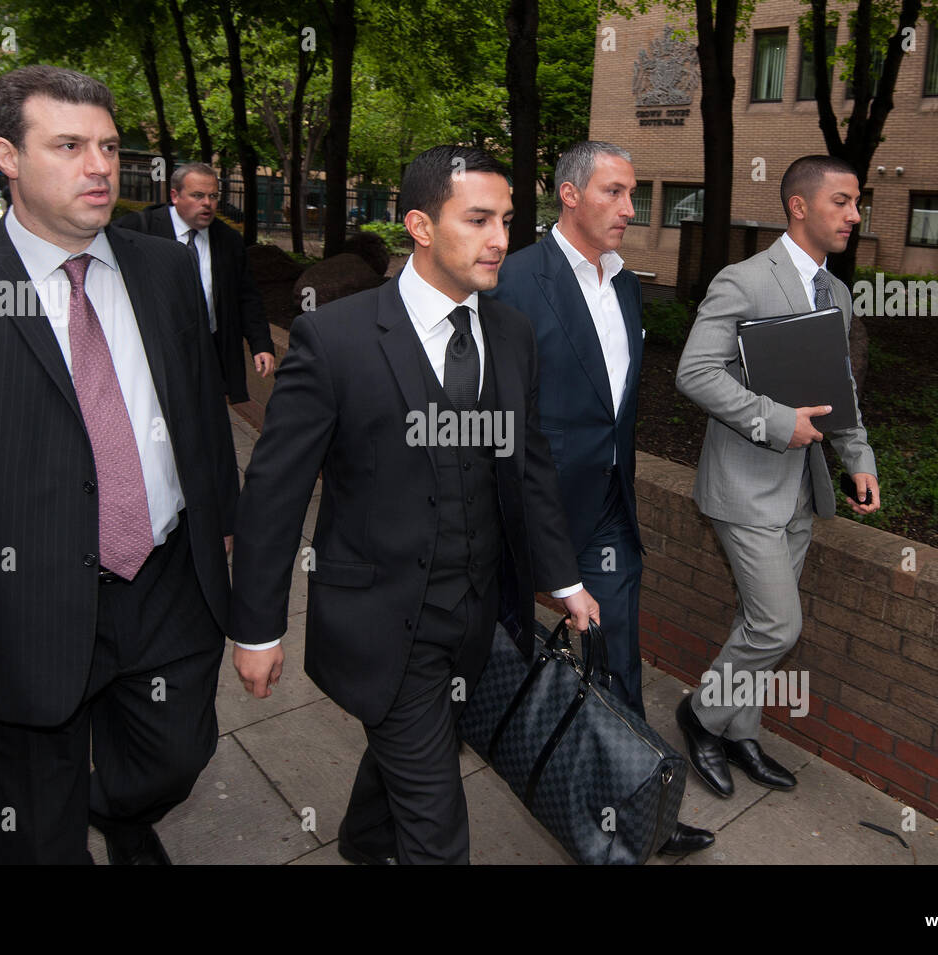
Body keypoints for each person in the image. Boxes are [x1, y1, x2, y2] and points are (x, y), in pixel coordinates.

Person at [0, 64, 239, 865]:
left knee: (174, 754)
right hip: (16, 605)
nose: (99, 166)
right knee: (36, 828)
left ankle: (118, 811)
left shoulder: (162, 271)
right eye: (68, 145)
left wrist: (226, 527)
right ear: (7, 156)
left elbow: (198, 413)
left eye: (108, 146)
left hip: (164, 583)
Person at [230, 145, 600, 865]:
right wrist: (255, 627)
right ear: (421, 226)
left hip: (477, 618)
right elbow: (274, 489)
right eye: (479, 219)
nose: (501, 239)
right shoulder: (335, 338)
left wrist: (563, 577)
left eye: (508, 220)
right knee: (437, 831)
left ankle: (366, 842)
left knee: (409, 756)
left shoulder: (512, 336)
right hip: (382, 620)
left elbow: (529, 466)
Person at [492, 140, 713, 857]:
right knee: (465, 663)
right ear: (569, 194)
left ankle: (637, 811)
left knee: (619, 658)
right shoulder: (513, 279)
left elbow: (616, 405)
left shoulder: (625, 283)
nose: (631, 209)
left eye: (634, 194)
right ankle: (387, 809)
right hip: (521, 514)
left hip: (609, 509)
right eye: (616, 193)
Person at [674, 154, 880, 798]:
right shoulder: (743, 280)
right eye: (842, 202)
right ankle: (701, 716)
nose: (854, 215)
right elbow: (695, 372)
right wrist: (772, 420)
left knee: (755, 621)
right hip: (743, 487)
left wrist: (859, 459)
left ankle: (740, 732)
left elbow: (836, 387)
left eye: (856, 203)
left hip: (800, 490)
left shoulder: (837, 294)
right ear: (799, 205)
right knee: (776, 627)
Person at [115, 162, 274, 403]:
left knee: (207, 428)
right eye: (198, 196)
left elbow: (247, 296)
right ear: (175, 195)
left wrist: (261, 344)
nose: (207, 203)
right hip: (155, 354)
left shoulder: (228, 240)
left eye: (213, 196)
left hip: (210, 353)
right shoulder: (137, 230)